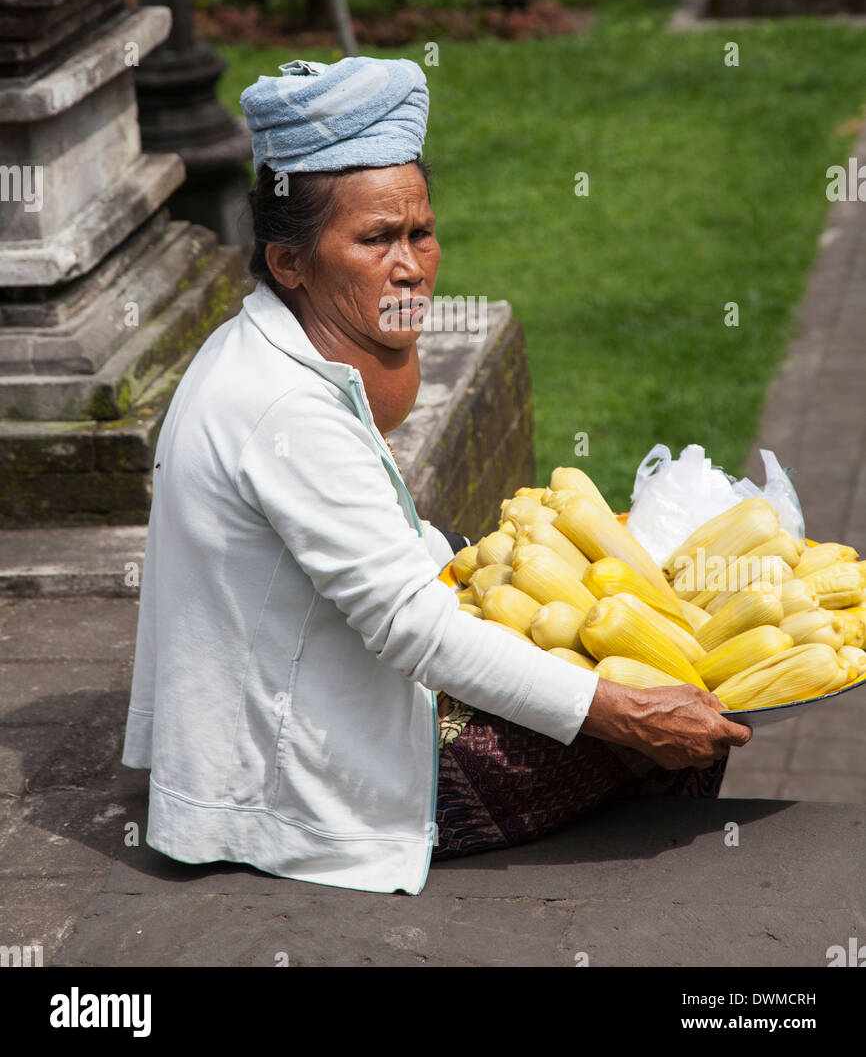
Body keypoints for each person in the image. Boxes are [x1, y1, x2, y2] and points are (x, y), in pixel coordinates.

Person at [121, 54, 751, 895]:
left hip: (298, 713)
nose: (411, 264)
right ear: (290, 262)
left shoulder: (269, 351)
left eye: (419, 233)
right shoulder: (286, 413)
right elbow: (408, 628)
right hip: (299, 784)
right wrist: (623, 712)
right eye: (375, 239)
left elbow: (382, 552)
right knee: (667, 726)